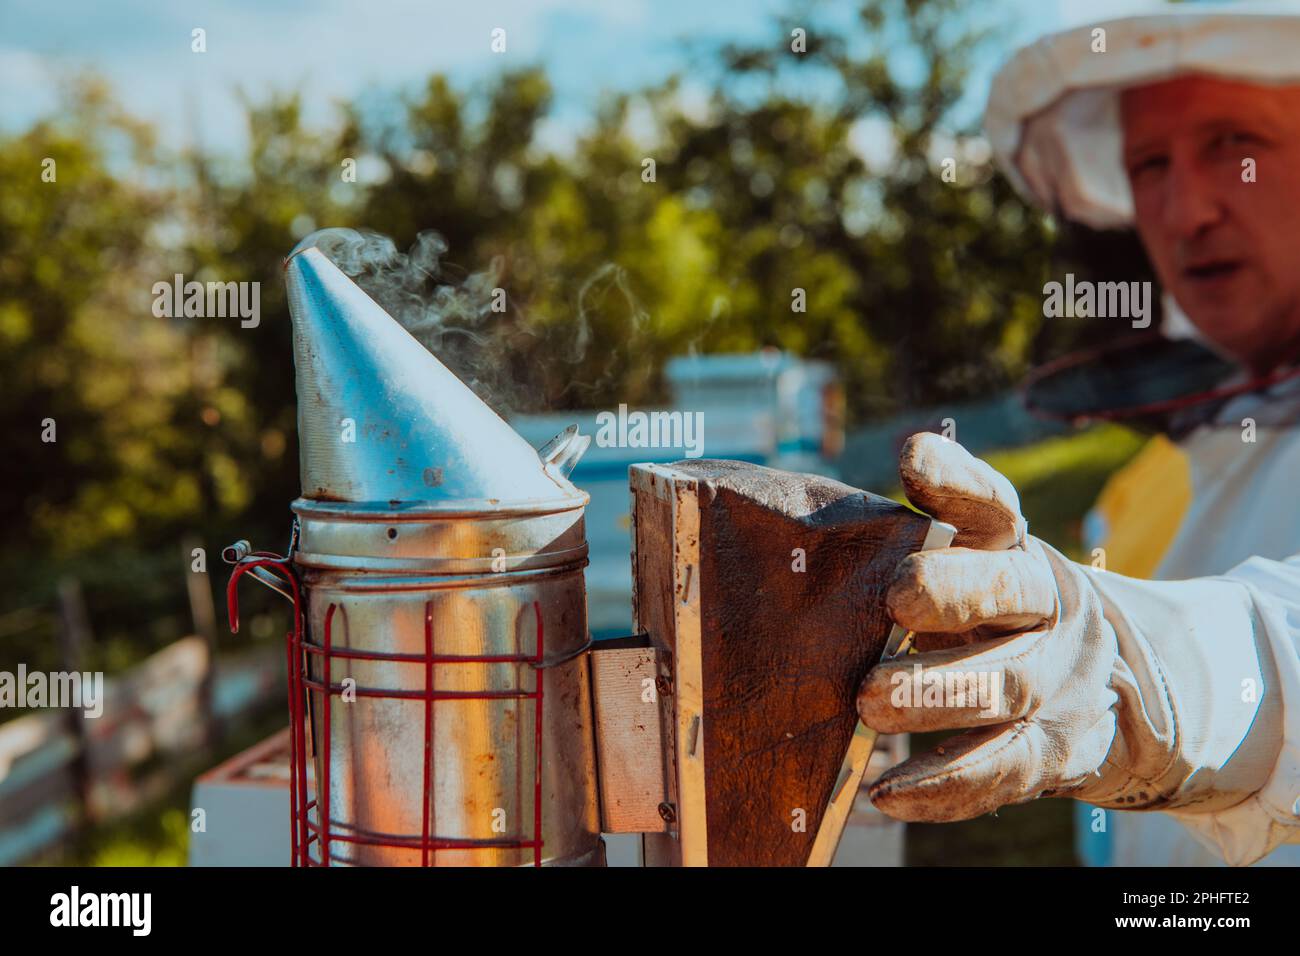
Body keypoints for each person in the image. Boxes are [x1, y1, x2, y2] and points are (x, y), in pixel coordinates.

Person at [855, 7, 1300, 867]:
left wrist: (1139, 672)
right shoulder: (1145, 490)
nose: (1184, 208)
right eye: (1149, 164)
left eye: (1233, 142)